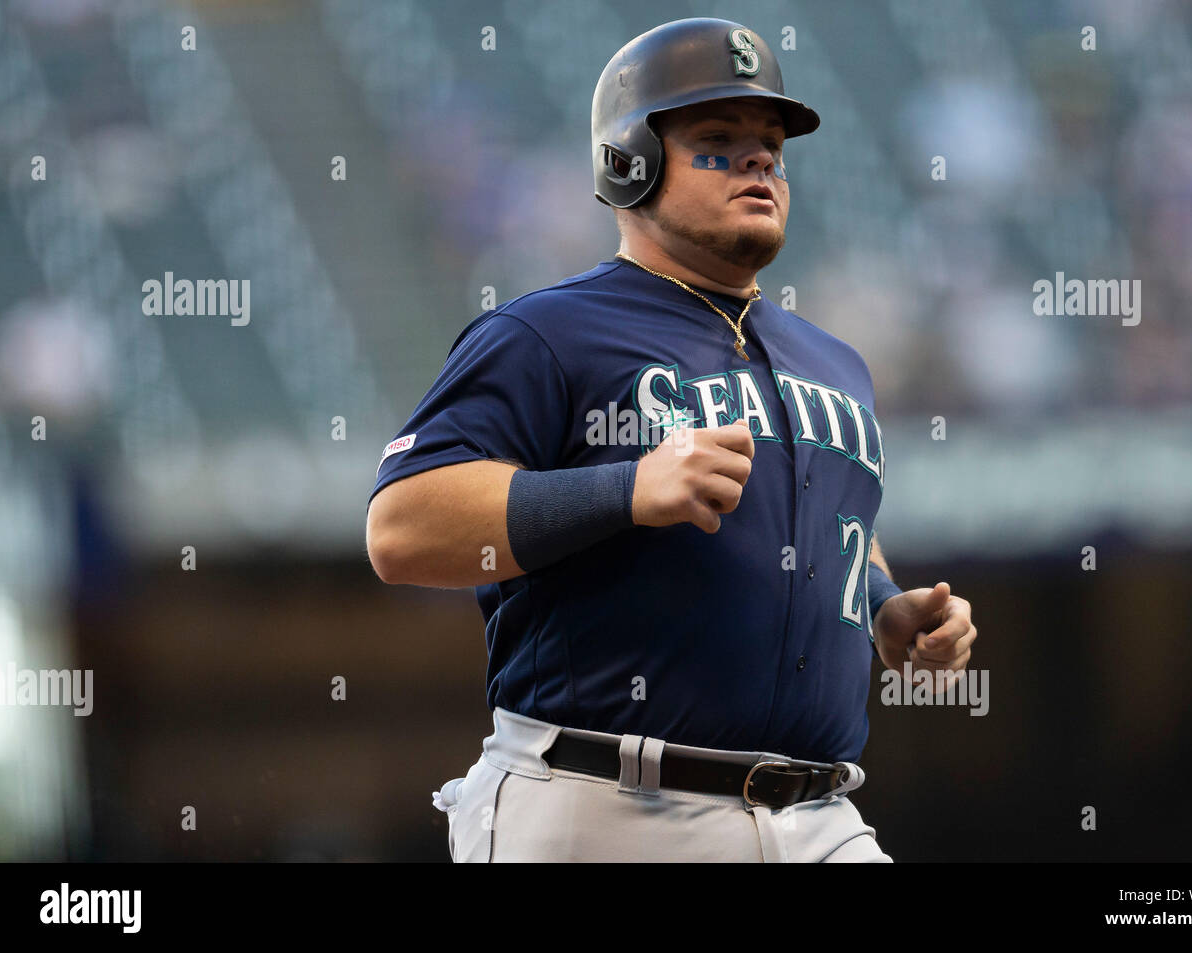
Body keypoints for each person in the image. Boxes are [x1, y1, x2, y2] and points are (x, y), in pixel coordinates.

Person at [366, 17, 976, 862]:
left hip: (820, 814)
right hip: (605, 801)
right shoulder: (546, 331)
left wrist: (884, 608)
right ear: (630, 163)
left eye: (771, 145)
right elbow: (401, 529)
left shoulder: (835, 363)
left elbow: (828, 524)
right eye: (719, 141)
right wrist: (626, 489)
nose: (760, 160)